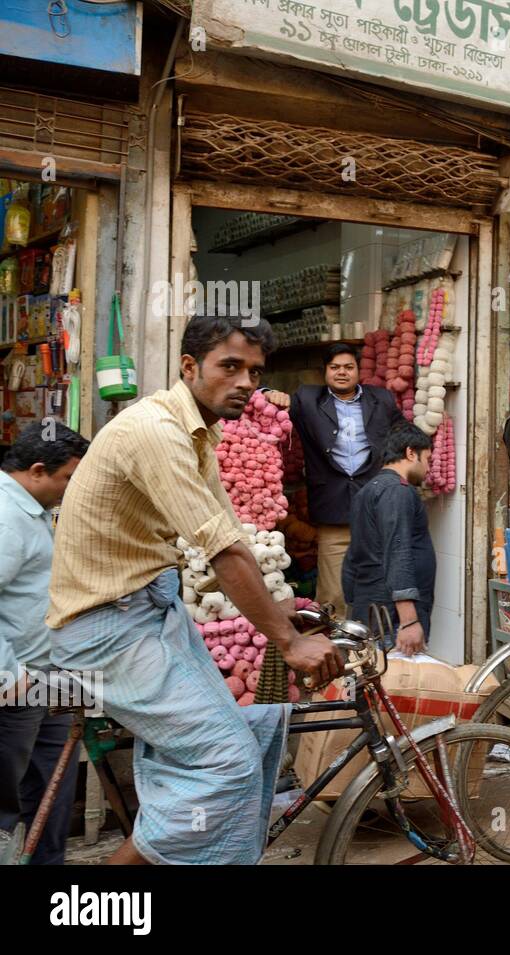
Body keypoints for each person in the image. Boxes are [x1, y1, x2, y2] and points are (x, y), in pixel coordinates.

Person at [45, 314, 342, 865]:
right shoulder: (156, 431)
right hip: (106, 628)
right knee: (228, 760)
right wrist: (285, 642)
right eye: (230, 366)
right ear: (189, 367)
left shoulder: (200, 433)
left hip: (150, 612)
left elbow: (231, 535)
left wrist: (284, 614)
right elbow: (221, 550)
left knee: (261, 723)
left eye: (255, 372)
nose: (246, 383)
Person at [0, 422, 88, 864]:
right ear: (37, 470)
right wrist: (8, 674)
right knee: (7, 803)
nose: (70, 488)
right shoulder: (5, 515)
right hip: (14, 683)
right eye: (68, 478)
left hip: (48, 675)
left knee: (53, 787)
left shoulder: (30, 510)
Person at [270, 344, 402, 615]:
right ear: (325, 372)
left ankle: (373, 646)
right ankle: (334, 648)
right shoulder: (308, 399)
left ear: (358, 371)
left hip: (374, 507)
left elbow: (405, 434)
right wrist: (267, 393)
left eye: (348, 367)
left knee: (377, 582)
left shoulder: (382, 400)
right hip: (332, 506)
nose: (342, 373)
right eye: (335, 367)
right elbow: (268, 403)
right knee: (333, 591)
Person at [343, 422, 435, 655]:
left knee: (369, 680)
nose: (428, 469)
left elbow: (351, 558)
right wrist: (409, 621)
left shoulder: (366, 491)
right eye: (427, 460)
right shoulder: (398, 491)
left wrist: (358, 606)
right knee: (394, 686)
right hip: (391, 618)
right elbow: (398, 551)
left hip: (370, 608)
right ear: (410, 453)